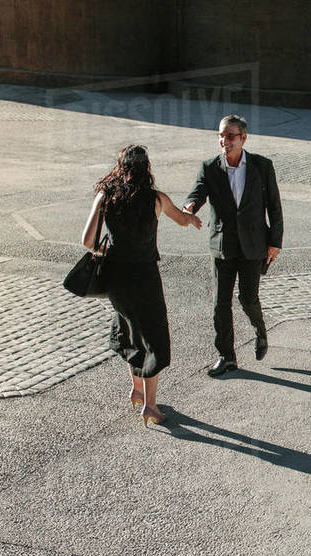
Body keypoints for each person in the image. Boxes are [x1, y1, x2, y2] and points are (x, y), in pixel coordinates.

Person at [81, 145, 201, 426]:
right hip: (145, 277)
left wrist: (109, 252)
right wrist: (191, 216)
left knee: (127, 328)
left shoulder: (105, 196)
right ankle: (150, 405)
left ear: (120, 169)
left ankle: (136, 388)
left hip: (116, 278)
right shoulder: (156, 199)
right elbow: (182, 220)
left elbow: (88, 241)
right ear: (147, 169)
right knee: (153, 337)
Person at [183, 114, 284, 377]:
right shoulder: (210, 167)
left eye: (230, 136)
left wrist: (275, 242)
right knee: (220, 303)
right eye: (221, 135)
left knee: (248, 298)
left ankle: (260, 331)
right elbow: (198, 191)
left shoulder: (262, 166)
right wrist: (190, 205)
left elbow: (274, 206)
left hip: (253, 244)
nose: (223, 141)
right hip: (223, 245)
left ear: (243, 138)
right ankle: (226, 356)